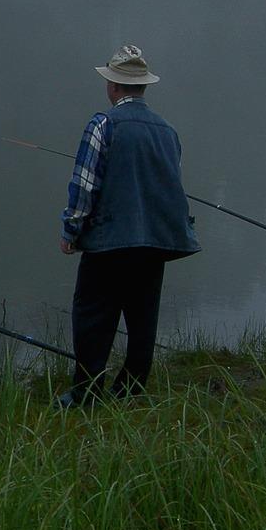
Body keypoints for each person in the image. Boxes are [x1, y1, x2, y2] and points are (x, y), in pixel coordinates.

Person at [57, 44, 200, 408]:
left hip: (110, 243)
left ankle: (86, 394)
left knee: (92, 316)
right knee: (142, 318)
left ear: (114, 87)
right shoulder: (167, 131)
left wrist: (70, 230)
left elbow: (85, 186)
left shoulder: (102, 124)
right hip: (153, 244)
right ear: (143, 87)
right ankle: (130, 392)